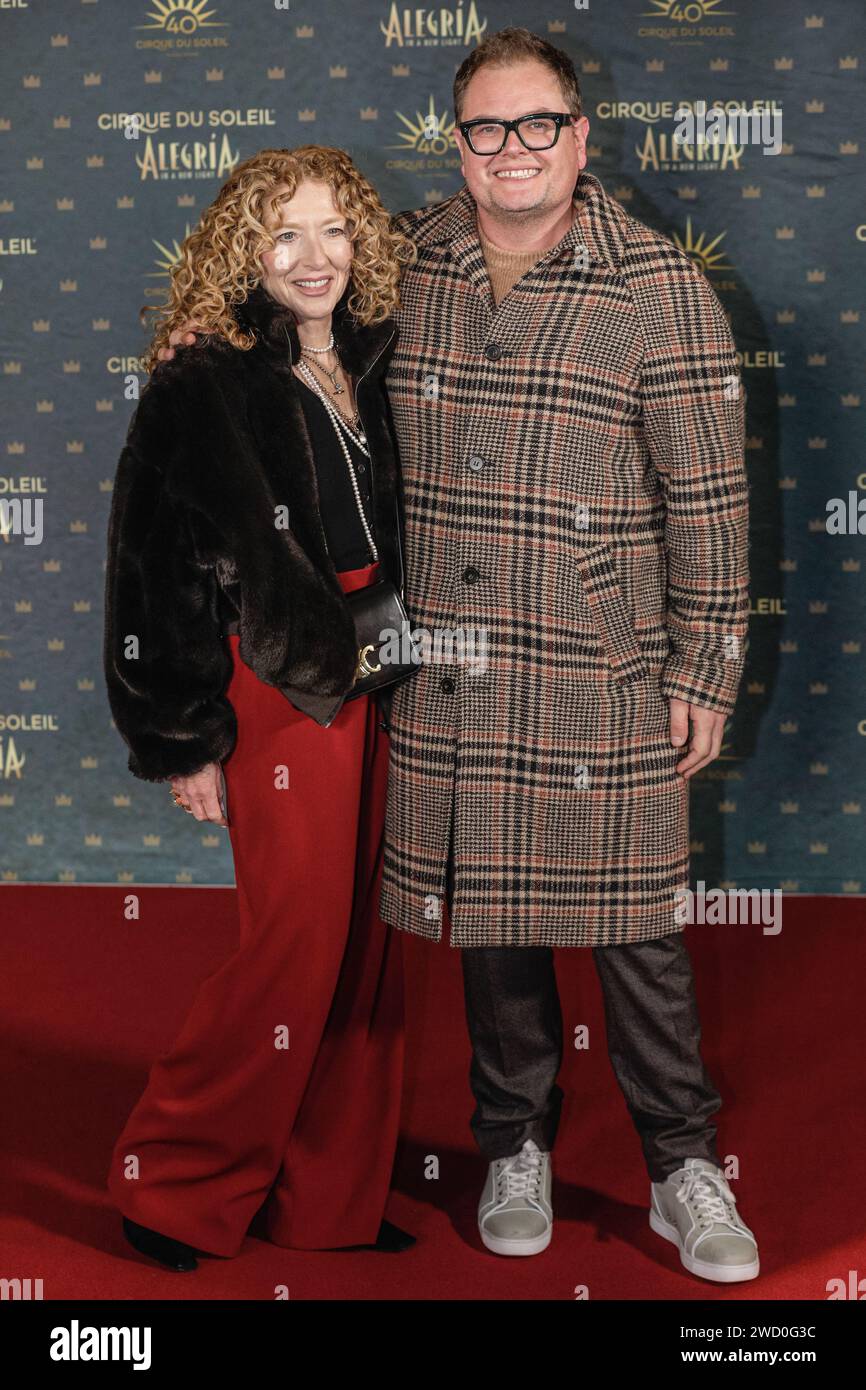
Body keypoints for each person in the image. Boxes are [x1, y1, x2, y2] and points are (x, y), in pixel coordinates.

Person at [159, 28, 759, 1285]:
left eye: (537, 123)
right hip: (445, 663)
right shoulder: (409, 260)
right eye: (485, 128)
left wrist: (705, 668)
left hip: (601, 658)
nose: (512, 150)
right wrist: (197, 358)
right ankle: (513, 1145)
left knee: (634, 932)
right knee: (492, 921)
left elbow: (707, 501)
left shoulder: (658, 287)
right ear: (457, 143)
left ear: (578, 135)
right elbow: (290, 328)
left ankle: (682, 1165)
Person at [103, 145, 418, 1271]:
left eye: (334, 229)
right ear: (244, 249)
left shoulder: (376, 353)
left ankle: (326, 1196)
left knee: (367, 950)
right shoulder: (206, 378)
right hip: (281, 683)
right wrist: (184, 735)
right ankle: (172, 1184)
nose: (314, 255)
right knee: (290, 947)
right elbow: (154, 566)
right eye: (284, 233)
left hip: (386, 671)